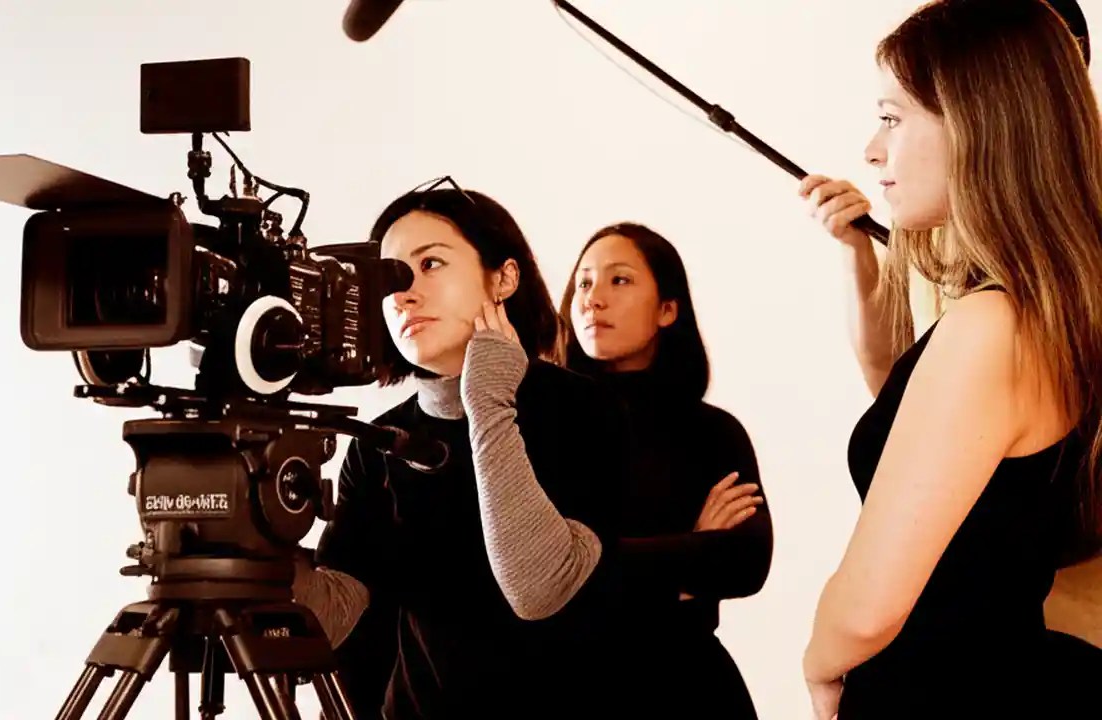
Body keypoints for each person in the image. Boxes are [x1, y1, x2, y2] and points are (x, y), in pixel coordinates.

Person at [797, 2, 1102, 718]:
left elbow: (869, 607)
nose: (872, 150)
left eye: (893, 118)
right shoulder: (1044, 312)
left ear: (977, 124)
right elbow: (899, 397)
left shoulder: (991, 326)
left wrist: (818, 661)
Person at [292, 177, 629, 719]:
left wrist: (489, 402)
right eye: (391, 275)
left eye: (430, 264)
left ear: (504, 278)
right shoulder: (377, 445)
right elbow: (333, 617)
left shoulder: (583, 410)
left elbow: (537, 587)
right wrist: (246, 544)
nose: (406, 292)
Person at [558, 221, 773, 717]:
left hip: (691, 688)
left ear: (668, 309)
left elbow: (744, 562)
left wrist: (601, 567)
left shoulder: (714, 432)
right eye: (584, 283)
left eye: (620, 280)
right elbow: (540, 575)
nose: (594, 299)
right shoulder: (538, 428)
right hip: (569, 688)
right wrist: (692, 549)